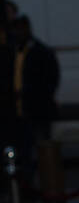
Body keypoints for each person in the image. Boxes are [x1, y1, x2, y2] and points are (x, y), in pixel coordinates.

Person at [9, 14, 59, 188]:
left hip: (36, 108)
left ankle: (46, 184)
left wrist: (29, 93)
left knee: (40, 149)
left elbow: (49, 79)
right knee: (26, 152)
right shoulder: (16, 50)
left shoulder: (38, 51)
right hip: (21, 110)